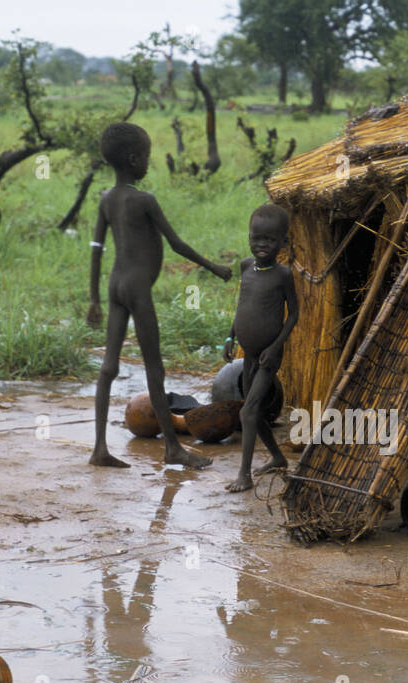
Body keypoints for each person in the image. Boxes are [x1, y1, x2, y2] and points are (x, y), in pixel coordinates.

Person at [86, 122, 231, 469]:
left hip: (114, 285)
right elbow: (176, 243)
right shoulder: (144, 200)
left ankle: (99, 449)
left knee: (108, 366)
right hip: (137, 288)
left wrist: (93, 298)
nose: (149, 162)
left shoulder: (107, 199)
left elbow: (96, 248)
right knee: (155, 368)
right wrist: (213, 267)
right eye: (147, 157)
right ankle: (172, 447)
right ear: (134, 159)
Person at [223, 204, 298, 492]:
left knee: (248, 411)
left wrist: (276, 346)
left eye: (269, 239)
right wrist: (229, 338)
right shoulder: (245, 266)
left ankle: (244, 474)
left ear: (283, 242)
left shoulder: (283, 275)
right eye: (256, 238)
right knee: (252, 410)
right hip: (249, 355)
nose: (261, 244)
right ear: (249, 237)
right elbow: (241, 308)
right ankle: (278, 458)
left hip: (269, 356)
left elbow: (293, 315)